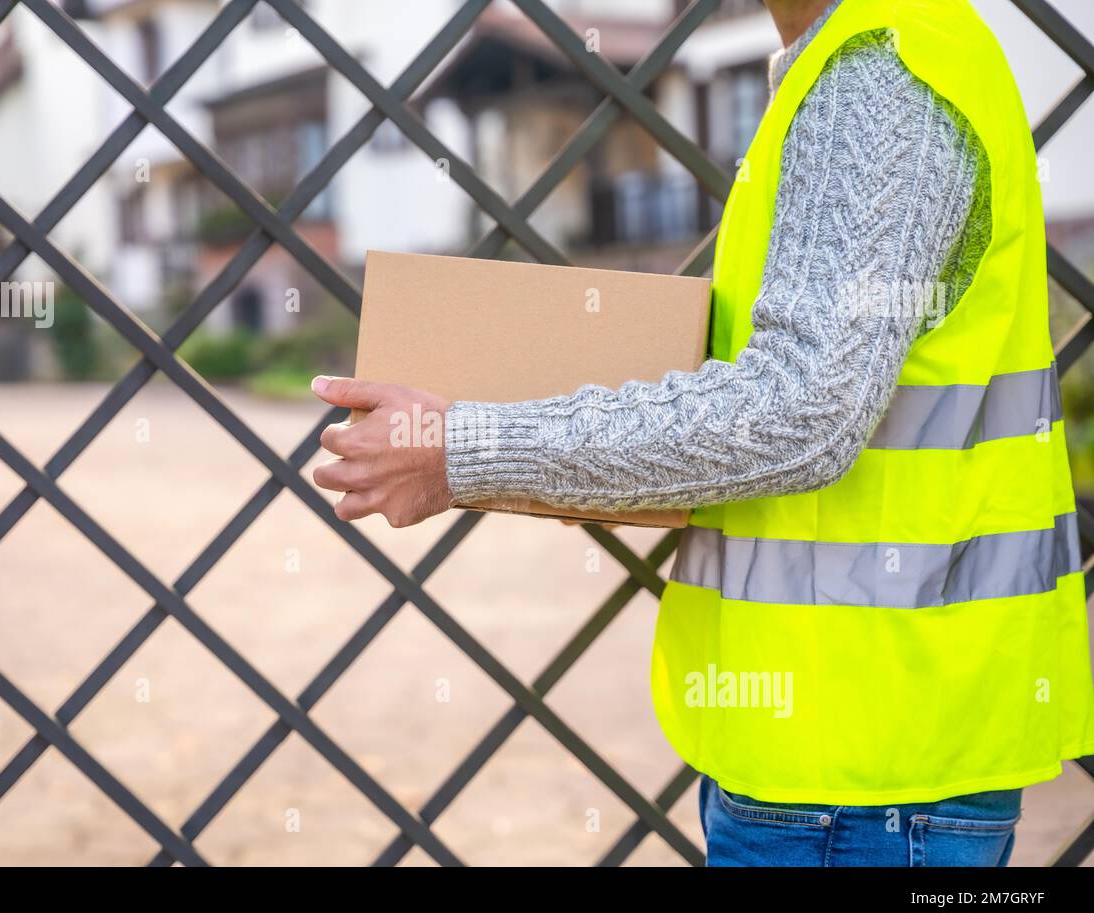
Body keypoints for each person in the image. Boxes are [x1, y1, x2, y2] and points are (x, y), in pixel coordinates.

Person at [308, 0, 1094, 866]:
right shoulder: (872, 59)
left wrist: (463, 448)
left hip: (861, 775)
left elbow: (799, 414)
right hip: (857, 748)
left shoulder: (882, 74)